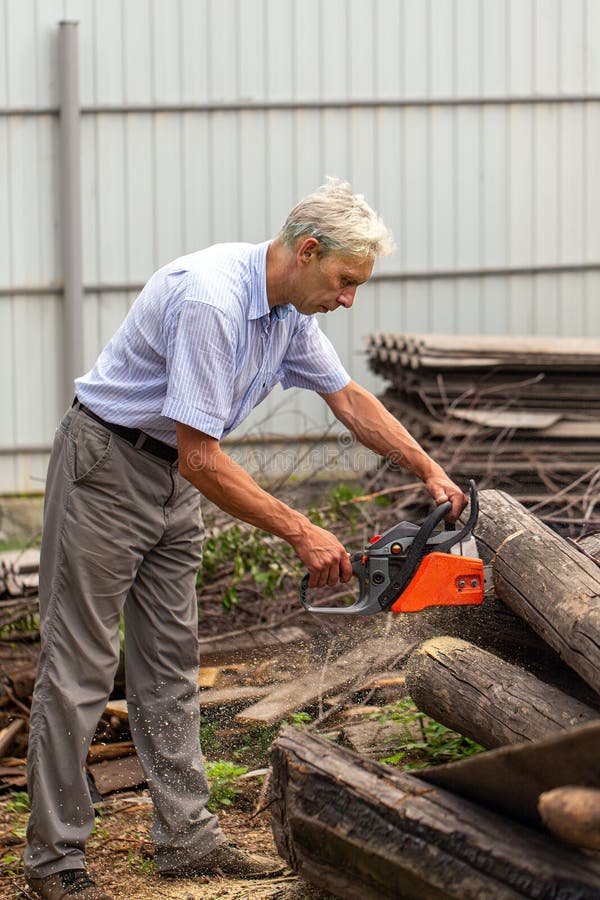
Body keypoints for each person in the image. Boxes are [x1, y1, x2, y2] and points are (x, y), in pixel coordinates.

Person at [24, 178, 466, 900]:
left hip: (172, 479)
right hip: (108, 467)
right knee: (81, 663)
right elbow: (205, 457)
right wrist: (301, 530)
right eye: (346, 281)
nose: (350, 299)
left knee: (169, 663)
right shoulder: (212, 300)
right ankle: (55, 863)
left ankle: (187, 841)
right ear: (308, 250)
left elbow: (348, 399)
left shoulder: (289, 311)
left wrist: (428, 467)